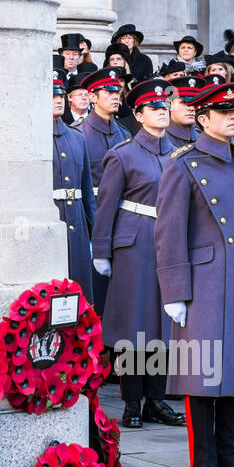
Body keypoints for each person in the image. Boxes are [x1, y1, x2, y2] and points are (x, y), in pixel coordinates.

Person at [155, 78, 234, 467]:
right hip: (204, 282)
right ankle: (203, 463)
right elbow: (169, 232)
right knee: (202, 376)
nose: (233, 118)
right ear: (203, 119)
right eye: (224, 113)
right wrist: (174, 292)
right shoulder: (184, 163)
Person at [92, 78, 184, 430]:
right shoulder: (124, 154)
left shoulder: (178, 152)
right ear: (140, 113)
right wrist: (102, 249)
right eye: (154, 108)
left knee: (162, 321)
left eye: (165, 107)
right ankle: (133, 401)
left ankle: (156, 399)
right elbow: (107, 204)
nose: (162, 113)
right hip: (135, 244)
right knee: (135, 323)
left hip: (169, 240)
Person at [76, 68, 131, 314]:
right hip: (94, 223)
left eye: (117, 91)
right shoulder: (80, 134)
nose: (115, 96)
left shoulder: (125, 134)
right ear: (93, 96)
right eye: (108, 92)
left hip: (123, 222)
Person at [52, 72, 95, 300]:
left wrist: (94, 229)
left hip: (77, 221)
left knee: (80, 286)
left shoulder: (77, 137)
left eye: (60, 95)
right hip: (54, 218)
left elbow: (86, 189)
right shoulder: (36, 137)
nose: (58, 100)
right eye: (52, 96)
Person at [166, 73, 204, 147]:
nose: (191, 108)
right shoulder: (160, 139)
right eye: (184, 103)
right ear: (170, 104)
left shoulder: (204, 137)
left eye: (195, 103)